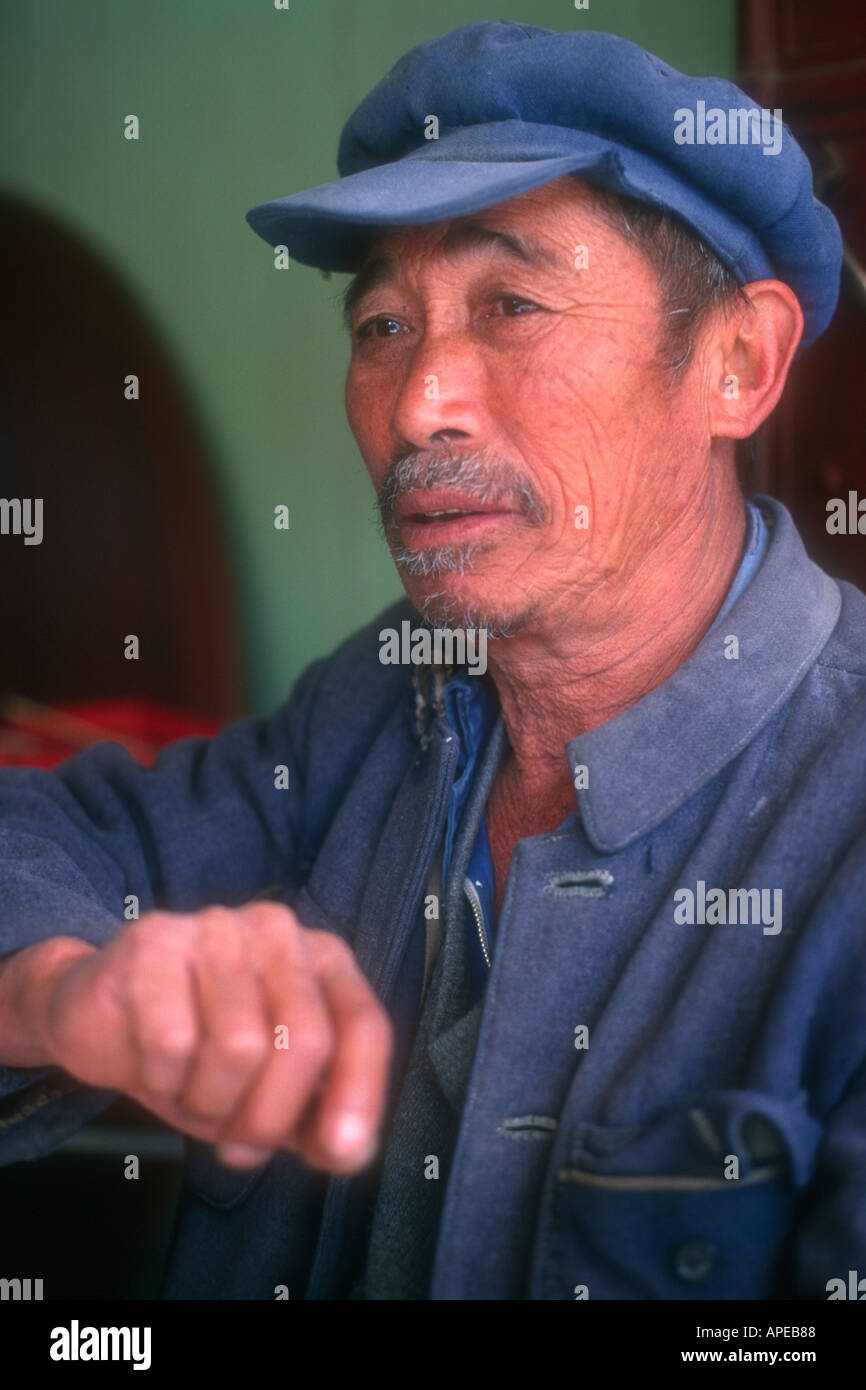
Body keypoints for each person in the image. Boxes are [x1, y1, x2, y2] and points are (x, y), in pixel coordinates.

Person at [0, 21, 862, 1301]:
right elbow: (47, 829)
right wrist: (65, 995)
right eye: (383, 325)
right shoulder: (382, 698)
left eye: (510, 304)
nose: (416, 404)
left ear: (736, 362)